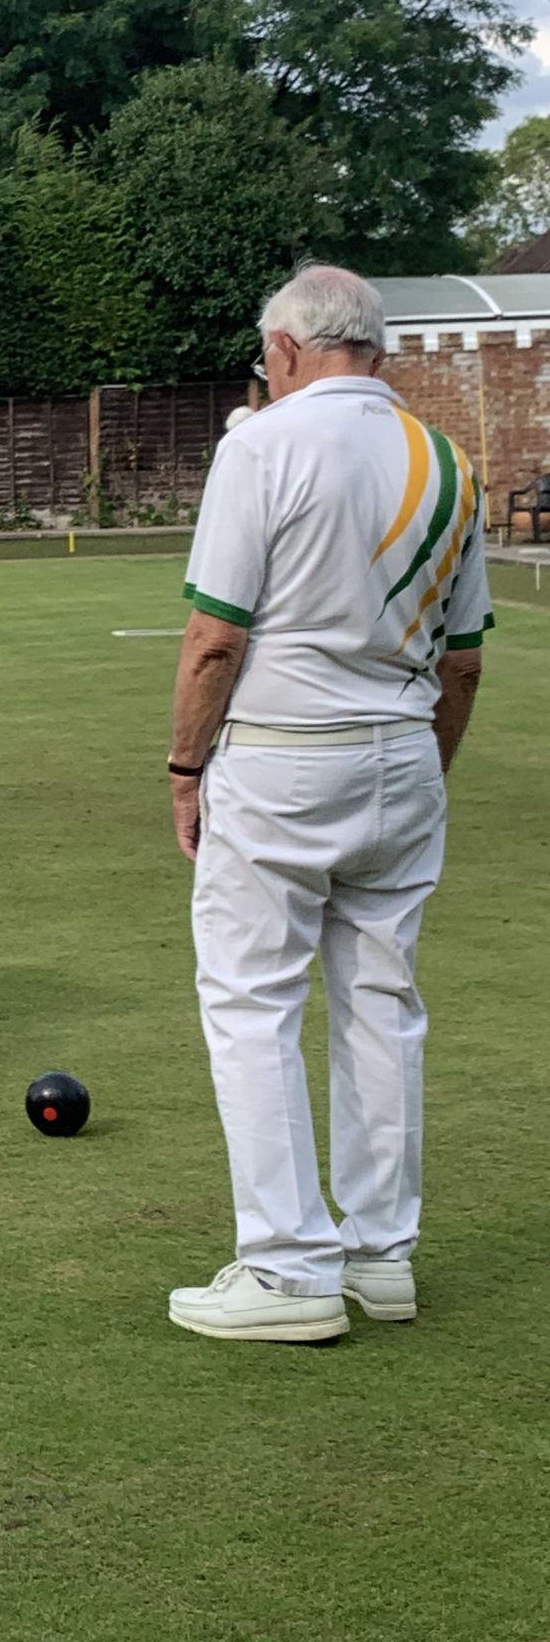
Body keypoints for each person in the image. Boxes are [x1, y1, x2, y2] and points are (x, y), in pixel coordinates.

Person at [165, 265, 491, 1343]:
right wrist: (421, 771)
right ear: (380, 351)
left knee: (253, 1000)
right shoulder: (448, 460)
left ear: (291, 351)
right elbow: (466, 663)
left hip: (282, 756)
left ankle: (287, 1266)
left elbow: (217, 637)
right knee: (381, 1002)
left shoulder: (260, 443)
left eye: (268, 356)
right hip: (404, 750)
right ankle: (378, 1257)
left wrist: (182, 767)